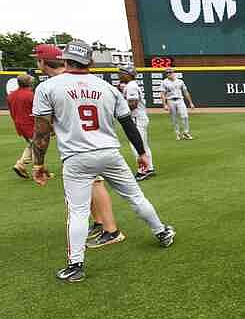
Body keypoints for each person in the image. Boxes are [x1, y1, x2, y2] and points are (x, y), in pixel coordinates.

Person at [30, 40, 175, 282]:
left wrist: (38, 164)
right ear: (91, 62)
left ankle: (75, 265)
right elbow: (128, 123)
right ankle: (161, 232)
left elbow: (42, 132)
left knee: (77, 211)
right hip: (109, 153)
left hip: (76, 157)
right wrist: (141, 152)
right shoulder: (107, 87)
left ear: (65, 60)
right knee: (136, 197)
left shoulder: (49, 87)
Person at [30, 44, 123, 247]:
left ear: (43, 62)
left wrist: (38, 163)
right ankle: (100, 223)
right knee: (91, 183)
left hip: (85, 145)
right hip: (90, 143)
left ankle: (111, 229)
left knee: (94, 183)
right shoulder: (82, 81)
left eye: (37, 59)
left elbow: (44, 128)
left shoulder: (59, 84)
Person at [119, 66, 155, 180]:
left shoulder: (131, 86)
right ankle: (149, 168)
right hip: (140, 117)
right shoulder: (131, 85)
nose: (120, 74)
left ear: (129, 74)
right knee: (143, 145)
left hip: (136, 118)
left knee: (137, 145)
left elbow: (133, 104)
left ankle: (142, 171)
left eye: (122, 72)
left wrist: (120, 109)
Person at [7, 73, 35, 179]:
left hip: (19, 125)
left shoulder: (11, 96)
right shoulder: (30, 95)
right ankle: (22, 164)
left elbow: (12, 112)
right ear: (28, 83)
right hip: (30, 125)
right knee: (38, 146)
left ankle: (23, 165)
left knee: (33, 145)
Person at [160, 67, 195, 140]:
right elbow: (162, 94)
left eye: (170, 72)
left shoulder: (180, 81)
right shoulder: (164, 82)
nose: (169, 74)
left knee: (184, 116)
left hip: (180, 100)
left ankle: (186, 133)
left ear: (173, 73)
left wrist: (191, 103)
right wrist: (164, 104)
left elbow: (185, 92)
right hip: (170, 101)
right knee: (174, 118)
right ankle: (178, 133)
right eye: (167, 73)